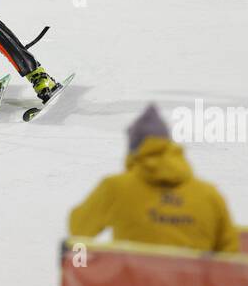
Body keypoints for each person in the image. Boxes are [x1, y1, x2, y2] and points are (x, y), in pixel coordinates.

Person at [68, 103, 239, 253]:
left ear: (133, 149)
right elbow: (229, 255)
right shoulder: (209, 195)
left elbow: (79, 228)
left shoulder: (116, 188)